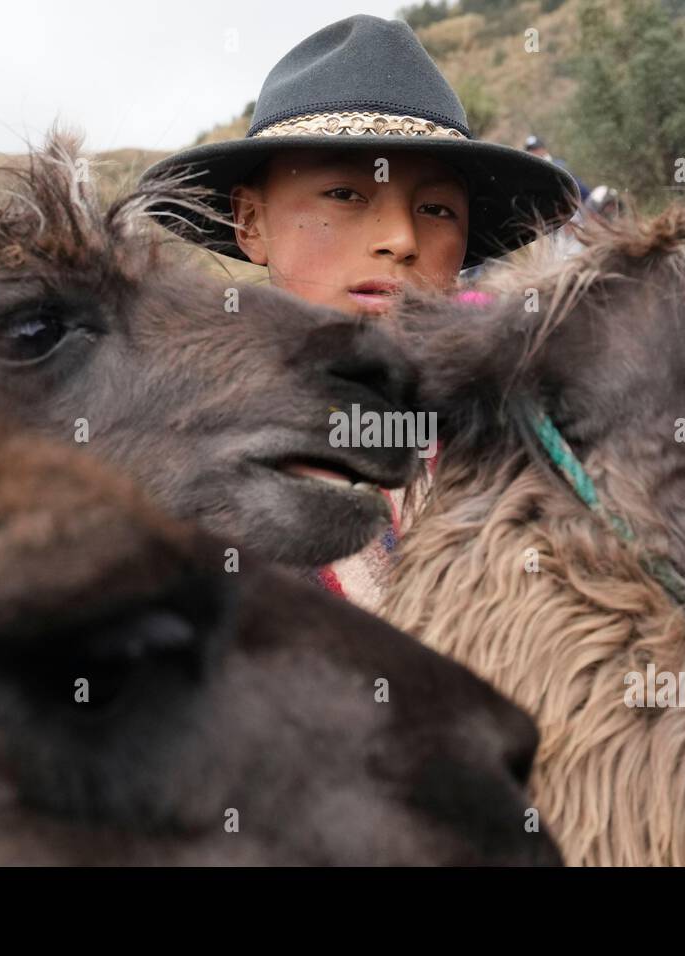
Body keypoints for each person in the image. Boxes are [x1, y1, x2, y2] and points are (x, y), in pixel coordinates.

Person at [139, 14, 579, 608]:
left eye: (437, 210)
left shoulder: (536, 449)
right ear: (250, 222)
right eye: (346, 195)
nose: (400, 238)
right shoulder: (161, 463)